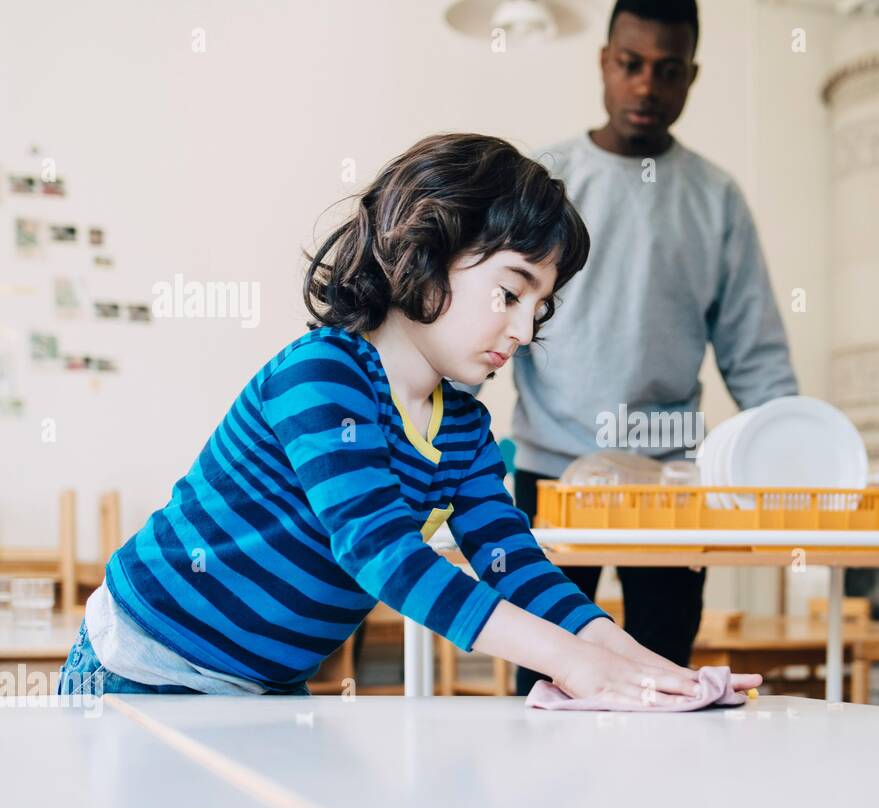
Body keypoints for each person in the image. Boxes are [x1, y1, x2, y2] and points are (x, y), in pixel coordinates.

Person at [56, 132, 761, 705]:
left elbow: (511, 560)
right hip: (143, 663)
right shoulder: (322, 374)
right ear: (428, 252)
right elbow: (383, 555)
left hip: (261, 686)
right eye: (511, 292)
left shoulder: (462, 427)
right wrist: (571, 663)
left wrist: (647, 666)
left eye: (539, 308)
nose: (522, 329)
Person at [506, 0, 799, 694]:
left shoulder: (716, 198)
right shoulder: (542, 179)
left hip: (669, 482)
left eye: (666, 71)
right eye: (631, 65)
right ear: (605, 62)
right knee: (543, 685)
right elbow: (494, 315)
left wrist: (793, 457)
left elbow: (754, 351)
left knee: (664, 677)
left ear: (690, 77)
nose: (645, 86)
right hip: (550, 476)